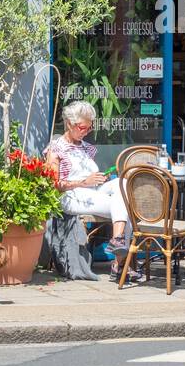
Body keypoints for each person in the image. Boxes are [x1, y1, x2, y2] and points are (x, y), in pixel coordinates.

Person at [44, 101, 140, 282]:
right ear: (69, 124)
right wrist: (84, 181)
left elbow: (91, 179)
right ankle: (119, 265)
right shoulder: (55, 149)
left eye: (89, 128)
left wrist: (99, 178)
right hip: (71, 196)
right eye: (82, 127)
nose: (86, 132)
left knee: (122, 182)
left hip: (91, 191)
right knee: (121, 206)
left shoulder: (86, 148)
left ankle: (117, 240)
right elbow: (53, 184)